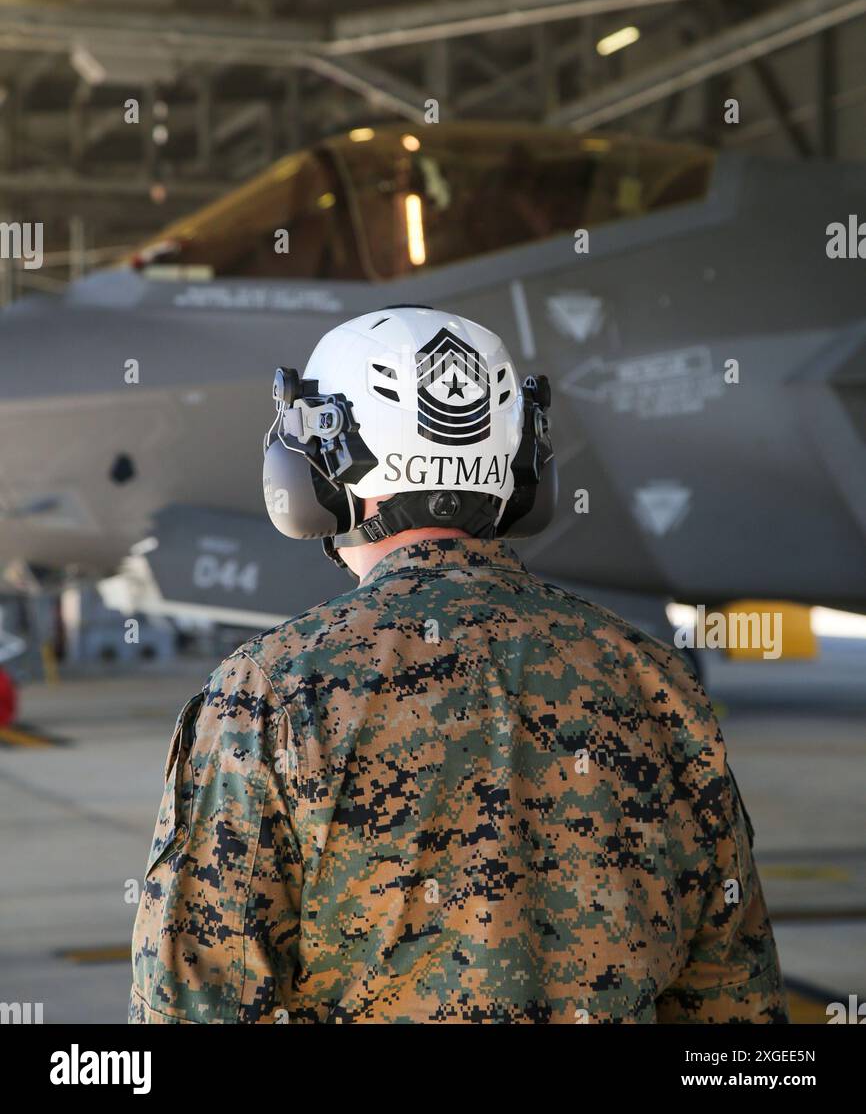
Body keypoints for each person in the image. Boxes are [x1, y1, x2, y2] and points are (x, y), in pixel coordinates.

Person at [130, 304, 788, 1024]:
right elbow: (736, 1013)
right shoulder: (657, 682)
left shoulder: (268, 695)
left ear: (321, 465)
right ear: (521, 468)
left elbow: (192, 1004)